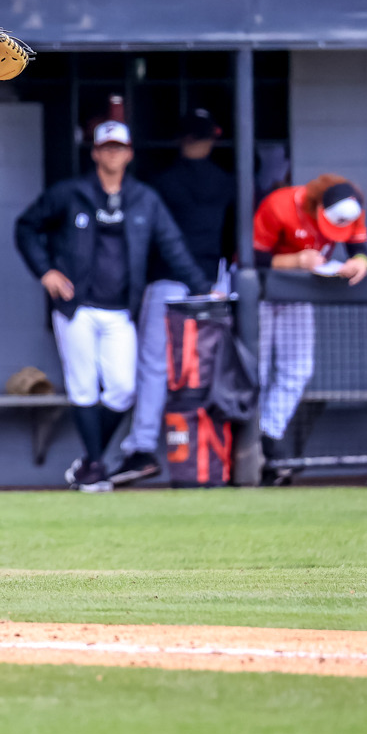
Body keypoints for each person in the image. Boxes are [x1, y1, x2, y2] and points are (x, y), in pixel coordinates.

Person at [15, 121, 212, 493]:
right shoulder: (71, 193)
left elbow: (173, 246)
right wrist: (46, 272)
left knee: (123, 388)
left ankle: (91, 462)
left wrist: (204, 289)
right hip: (76, 306)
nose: (112, 153)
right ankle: (97, 470)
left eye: (119, 147)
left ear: (129, 153)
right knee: (84, 388)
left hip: (121, 309)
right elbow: (26, 227)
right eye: (106, 147)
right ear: (95, 153)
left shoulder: (144, 199)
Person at [114, 107, 235, 486]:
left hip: (171, 283)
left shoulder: (159, 181)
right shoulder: (227, 181)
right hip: (214, 284)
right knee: (212, 367)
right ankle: (215, 449)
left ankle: (143, 447)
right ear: (211, 138)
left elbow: (160, 243)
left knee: (155, 367)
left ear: (183, 139)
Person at [252, 175, 367, 484]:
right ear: (316, 205)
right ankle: (250, 441)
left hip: (299, 293)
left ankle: (269, 434)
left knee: (298, 369)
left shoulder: (352, 207)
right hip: (262, 294)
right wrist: (295, 260)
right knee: (257, 371)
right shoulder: (279, 205)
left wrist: (360, 262)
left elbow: (360, 248)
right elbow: (252, 257)